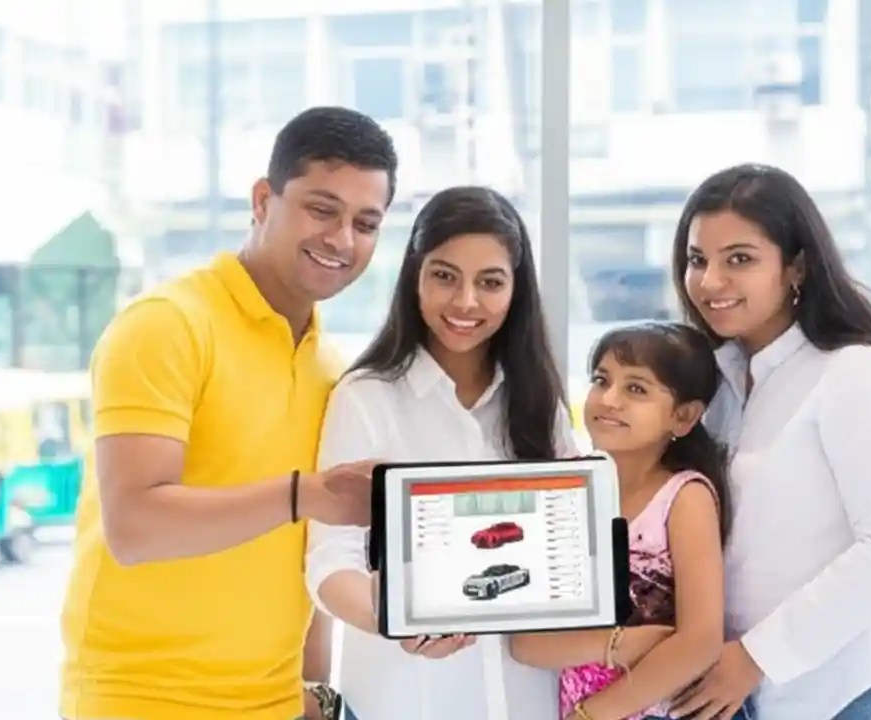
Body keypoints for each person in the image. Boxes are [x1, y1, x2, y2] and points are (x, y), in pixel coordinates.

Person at [58, 106, 398, 720]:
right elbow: (134, 526)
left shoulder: (331, 366)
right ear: (263, 200)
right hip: (139, 702)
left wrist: (314, 692)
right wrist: (304, 494)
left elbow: (307, 557)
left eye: (365, 222)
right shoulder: (167, 325)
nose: (342, 239)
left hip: (276, 705)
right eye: (322, 209)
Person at [666, 164, 871, 720]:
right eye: (698, 260)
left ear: (796, 266)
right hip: (744, 702)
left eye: (739, 259)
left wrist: (754, 657)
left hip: (845, 697)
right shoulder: (712, 385)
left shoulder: (853, 372)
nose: (711, 281)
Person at [304, 186, 577, 719]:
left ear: (516, 291)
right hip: (406, 698)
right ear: (415, 278)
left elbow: (567, 540)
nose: (466, 302)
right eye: (445, 276)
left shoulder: (538, 403)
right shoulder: (366, 398)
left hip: (528, 700)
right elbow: (328, 560)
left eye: (490, 282)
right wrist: (395, 619)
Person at [510, 322, 735, 720]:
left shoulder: (684, 497)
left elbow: (699, 642)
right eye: (601, 380)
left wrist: (595, 714)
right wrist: (619, 645)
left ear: (683, 417)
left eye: (636, 389)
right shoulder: (566, 488)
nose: (609, 399)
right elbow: (527, 645)